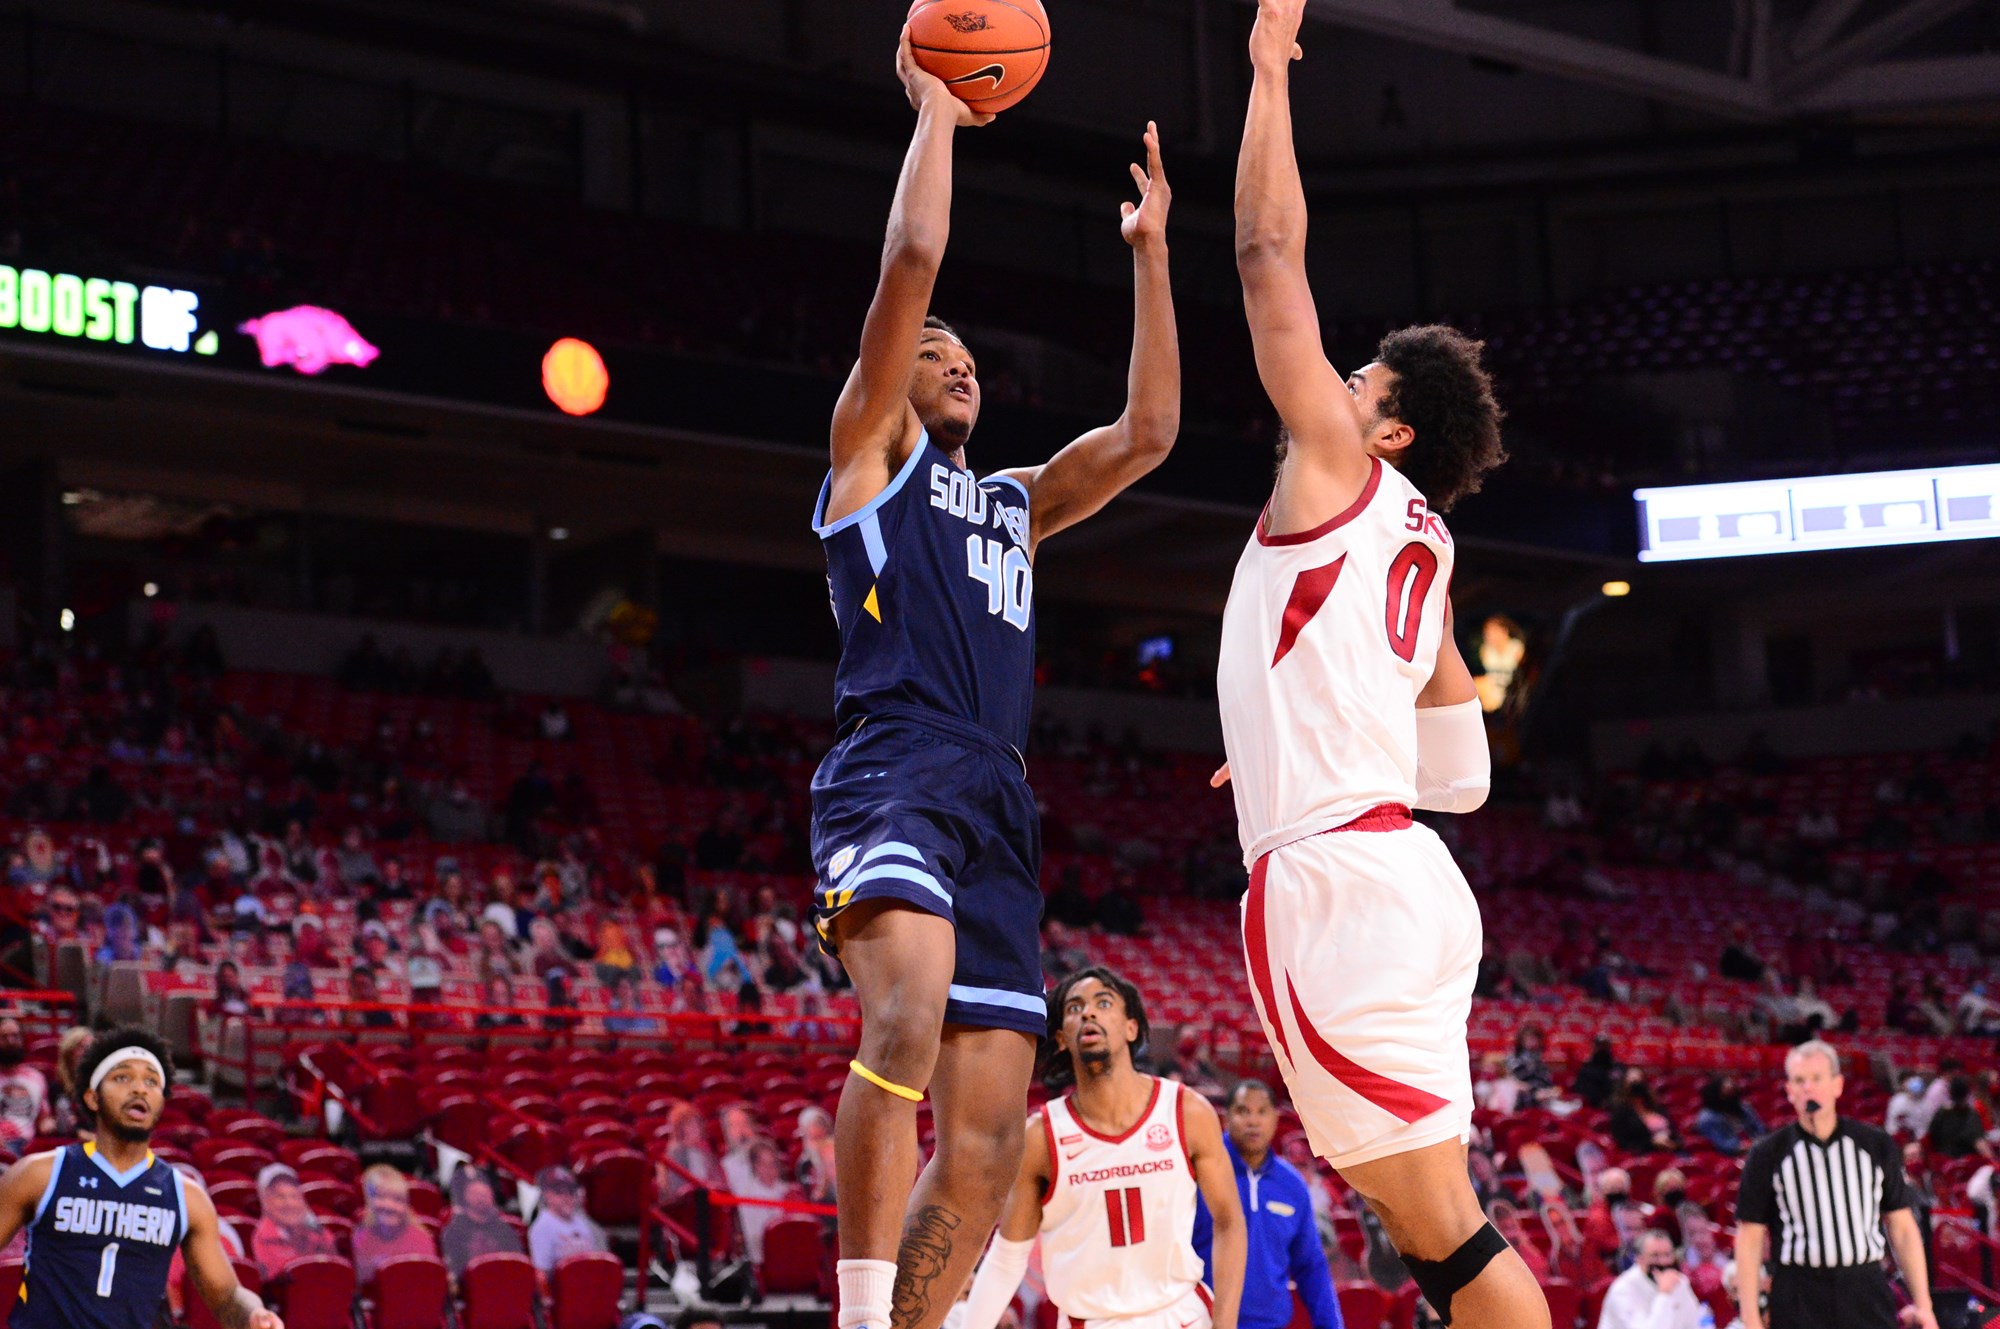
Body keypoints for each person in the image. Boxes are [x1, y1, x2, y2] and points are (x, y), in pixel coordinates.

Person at [809, 26, 1182, 1329]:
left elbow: (1149, 433)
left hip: (1001, 799)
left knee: (979, 1143)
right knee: (903, 1019)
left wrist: (1150, 259)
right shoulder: (873, 461)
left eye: (969, 356)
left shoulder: (1013, 503)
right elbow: (912, 261)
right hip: (899, 761)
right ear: (886, 382)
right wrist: (936, 113)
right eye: (935, 353)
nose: (958, 360)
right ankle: (860, 1316)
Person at [1213, 7, 1532, 1327]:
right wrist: (1309, 732)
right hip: (1402, 870)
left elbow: (1264, 250)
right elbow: (1461, 774)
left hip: (1340, 883)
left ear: (1387, 425)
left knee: (1443, 1234)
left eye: (1357, 378)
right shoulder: (1430, 545)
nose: (1334, 382)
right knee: (1434, 1237)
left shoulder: (1341, 469)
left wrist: (1268, 72)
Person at [955, 968, 1244, 1329]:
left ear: (1131, 1028)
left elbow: (1230, 1223)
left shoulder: (1187, 1111)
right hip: (1089, 1320)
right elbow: (1007, 1257)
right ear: (1062, 1038)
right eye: (1075, 1007)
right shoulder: (1042, 1137)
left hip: (1182, 1315)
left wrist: (1227, 1324)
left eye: (1103, 1003)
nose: (1088, 1012)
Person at [0, 1026, 283, 1328]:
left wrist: (254, 1314)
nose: (140, 1088)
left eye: (152, 1081)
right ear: (93, 1098)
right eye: (123, 1077)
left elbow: (227, 1295)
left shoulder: (186, 1196)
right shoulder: (39, 1174)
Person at [1734, 1040, 1937, 1329]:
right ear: (1789, 1091)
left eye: (1816, 1079)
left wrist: (1924, 1305)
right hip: (1798, 1291)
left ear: (1837, 1085)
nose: (1808, 1088)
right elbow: (1749, 1236)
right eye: (1799, 1081)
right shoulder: (1768, 1153)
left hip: (1864, 1287)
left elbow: (1902, 1227)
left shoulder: (1875, 1144)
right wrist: (1750, 1317)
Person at [1192, 1081, 1343, 1329]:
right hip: (1202, 1321)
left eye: (1262, 1112)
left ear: (1275, 1118)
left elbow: (1311, 1266)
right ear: (1226, 1117)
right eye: (1243, 1111)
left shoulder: (1292, 1185)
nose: (1253, 1121)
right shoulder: (1201, 1172)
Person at [1595, 1230, 1703, 1329]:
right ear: (1639, 1259)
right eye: (1655, 1256)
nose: (1663, 1262)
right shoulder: (1623, 1289)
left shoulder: (1680, 1282)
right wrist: (1664, 1294)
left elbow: (1694, 1323)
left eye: (1667, 1254)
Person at [352, 1165, 438, 1285]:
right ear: (368, 1200)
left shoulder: (421, 1240)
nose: (389, 1206)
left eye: (397, 1200)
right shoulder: (361, 1237)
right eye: (381, 1196)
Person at [249, 1163, 336, 1278]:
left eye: (294, 1196)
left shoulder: (319, 1234)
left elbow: (335, 1274)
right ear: (266, 1201)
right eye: (280, 1197)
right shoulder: (262, 1237)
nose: (289, 1204)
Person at [439, 1166, 523, 1280]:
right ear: (465, 1196)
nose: (481, 1199)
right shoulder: (454, 1231)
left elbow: (518, 1267)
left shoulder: (505, 1230)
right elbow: (455, 1272)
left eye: (484, 1195)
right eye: (475, 1194)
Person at [526, 1166, 605, 1278]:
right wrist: (547, 1296)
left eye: (570, 1192)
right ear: (547, 1195)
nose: (567, 1197)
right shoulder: (542, 1227)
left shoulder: (583, 1222)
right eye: (560, 1192)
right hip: (561, 1291)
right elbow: (542, 1275)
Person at [0, 1017, 49, 1151]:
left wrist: (54, 1124)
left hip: (27, 1146)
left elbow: (43, 1119)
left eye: (15, 1036)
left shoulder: (36, 1078)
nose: (10, 1041)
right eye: (4, 1037)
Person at [1923, 1076, 1988, 1159]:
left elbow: (1930, 1136)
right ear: (1967, 1094)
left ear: (1950, 1093)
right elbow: (1979, 1143)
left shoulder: (1941, 1113)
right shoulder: (1970, 1115)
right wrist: (1994, 1161)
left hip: (1942, 1161)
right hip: (1965, 1163)